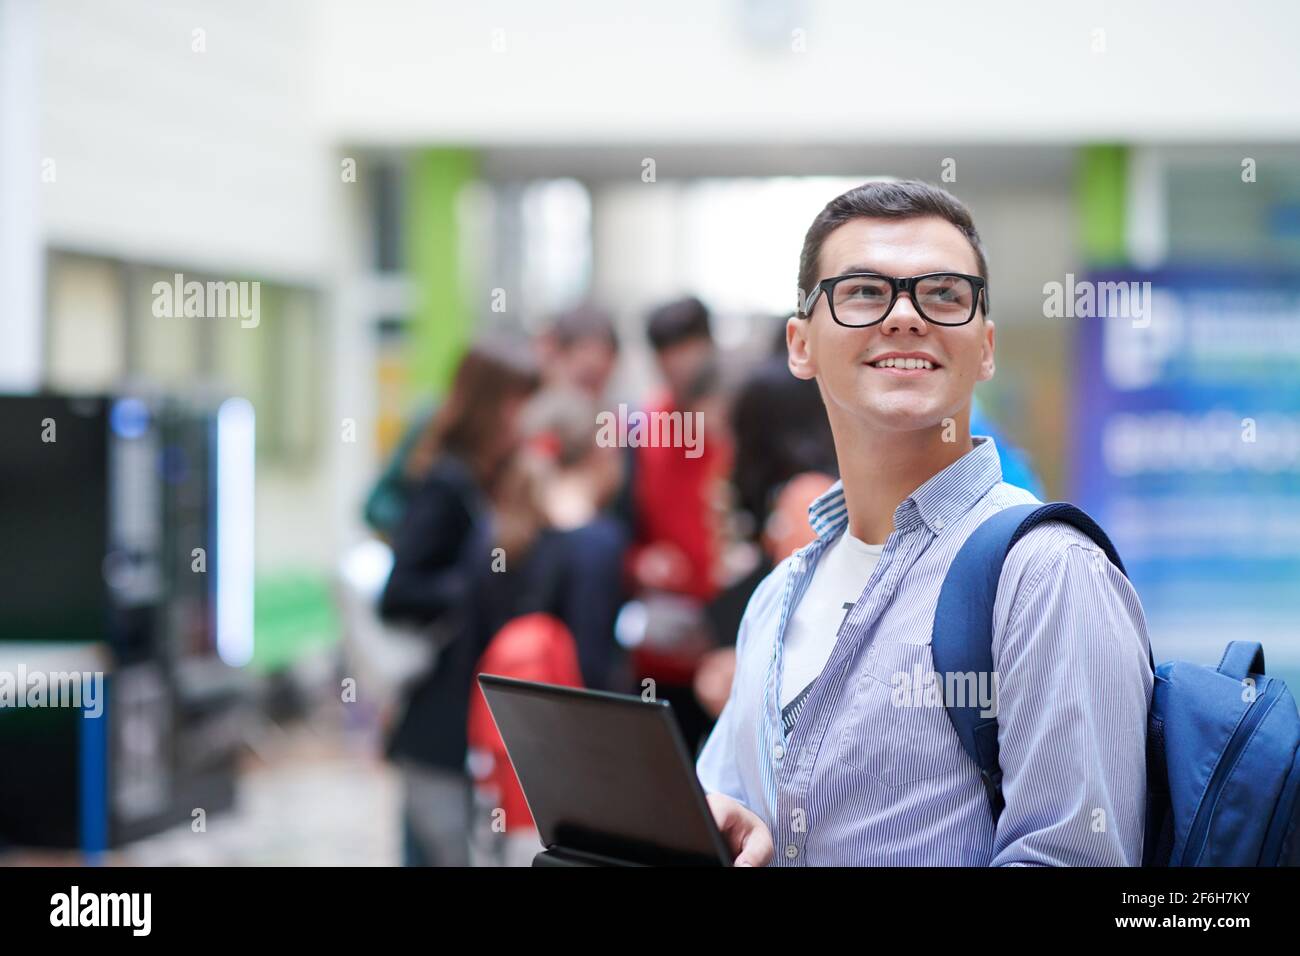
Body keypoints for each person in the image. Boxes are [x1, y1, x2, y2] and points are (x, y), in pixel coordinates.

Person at [697, 179, 1153, 866]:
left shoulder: (1047, 574)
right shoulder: (780, 593)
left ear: (987, 346)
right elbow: (725, 801)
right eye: (863, 292)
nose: (906, 317)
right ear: (800, 345)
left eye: (943, 294)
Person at [378, 338, 543, 867]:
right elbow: (399, 593)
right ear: (493, 404)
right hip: (438, 719)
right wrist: (474, 589)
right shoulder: (447, 483)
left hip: (461, 719)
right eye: (520, 401)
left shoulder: (488, 478)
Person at [624, 297, 733, 753]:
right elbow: (622, 530)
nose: (680, 373)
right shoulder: (642, 431)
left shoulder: (741, 423)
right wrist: (639, 563)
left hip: (733, 645)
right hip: (665, 651)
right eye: (667, 363)